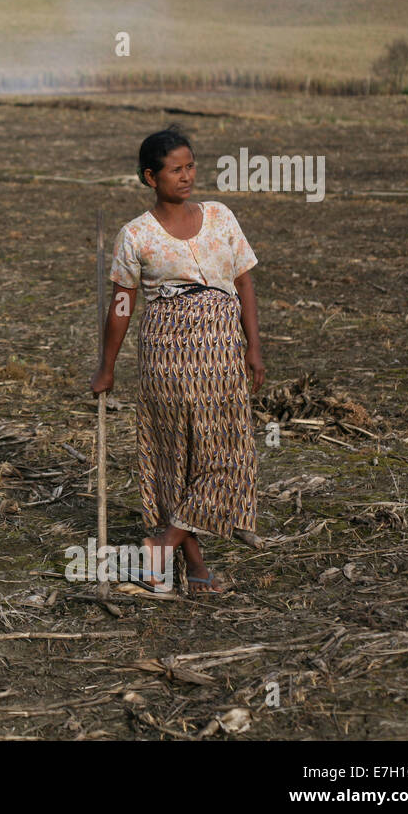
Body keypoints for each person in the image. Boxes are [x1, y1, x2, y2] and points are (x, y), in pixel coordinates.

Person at [90, 125, 265, 595]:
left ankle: (165, 545)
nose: (186, 176)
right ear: (151, 177)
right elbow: (123, 304)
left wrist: (253, 346)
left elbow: (244, 282)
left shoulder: (221, 217)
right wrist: (107, 366)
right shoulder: (136, 235)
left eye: (190, 166)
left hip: (222, 352)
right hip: (167, 355)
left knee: (228, 451)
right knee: (173, 458)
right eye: (175, 169)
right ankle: (195, 567)